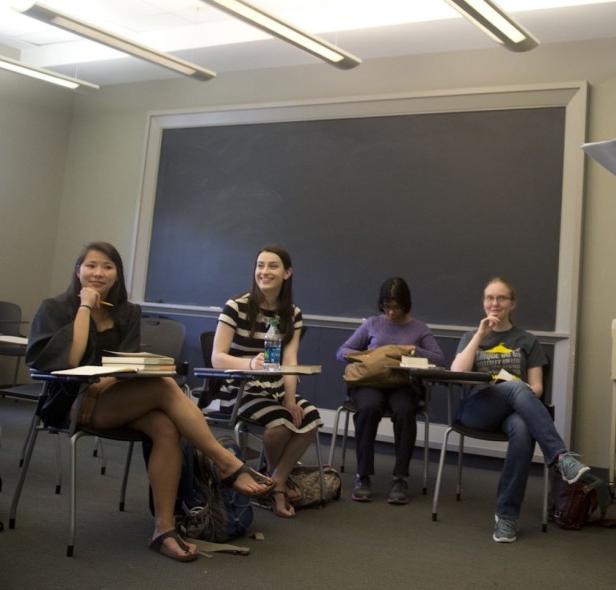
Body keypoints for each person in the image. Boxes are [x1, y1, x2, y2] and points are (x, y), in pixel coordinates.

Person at [27, 241, 276, 562]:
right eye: (91, 266)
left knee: (165, 427)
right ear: (78, 270)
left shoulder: (128, 313)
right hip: (72, 403)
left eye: (107, 267)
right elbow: (71, 360)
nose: (98, 273)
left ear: (117, 274)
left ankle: (163, 529)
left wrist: (106, 383)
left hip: (112, 399)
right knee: (163, 388)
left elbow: (125, 365)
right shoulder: (54, 308)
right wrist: (85, 307)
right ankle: (225, 462)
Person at [450, 276, 590, 543]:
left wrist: (516, 389)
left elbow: (536, 387)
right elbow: (457, 372)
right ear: (483, 302)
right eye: (490, 298)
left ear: (512, 303)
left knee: (524, 428)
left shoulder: (527, 340)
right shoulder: (472, 336)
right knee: (516, 387)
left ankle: (506, 517)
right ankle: (561, 458)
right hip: (477, 410)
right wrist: (481, 334)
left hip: (512, 413)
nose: (495, 303)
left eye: (501, 298)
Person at [212, 245, 322, 519]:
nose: (264, 271)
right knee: (280, 424)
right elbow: (217, 358)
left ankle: (276, 480)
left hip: (273, 387)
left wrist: (289, 398)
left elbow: (290, 360)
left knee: (309, 417)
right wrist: (248, 363)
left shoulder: (292, 313)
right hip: (239, 387)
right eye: (260, 265)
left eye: (272, 266)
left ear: (287, 273)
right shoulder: (236, 306)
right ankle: (278, 486)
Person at [335, 277, 446, 505]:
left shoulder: (419, 328)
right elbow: (341, 351)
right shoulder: (372, 324)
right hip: (371, 383)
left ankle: (400, 477)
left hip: (403, 384)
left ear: (406, 305)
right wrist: (366, 356)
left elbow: (439, 358)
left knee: (405, 410)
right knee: (368, 407)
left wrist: (413, 350)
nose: (392, 312)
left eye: (397, 307)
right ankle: (363, 475)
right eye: (387, 307)